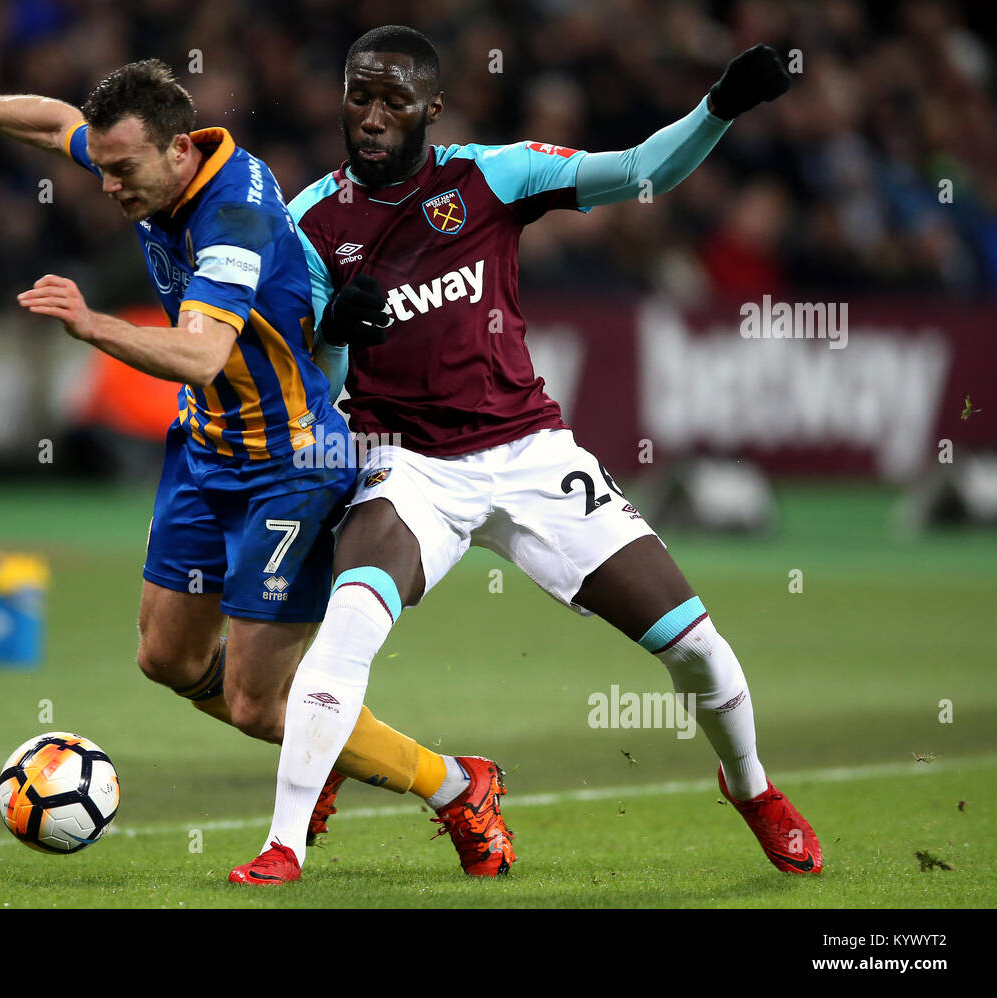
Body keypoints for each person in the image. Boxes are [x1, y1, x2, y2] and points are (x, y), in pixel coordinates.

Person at [0, 49, 514, 872]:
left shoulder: (231, 220)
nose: (109, 188)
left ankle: (457, 784)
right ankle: (329, 750)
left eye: (121, 170)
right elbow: (59, 122)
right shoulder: (153, 159)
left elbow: (203, 356)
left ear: (178, 151)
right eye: (102, 170)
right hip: (206, 449)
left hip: (291, 464)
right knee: (166, 658)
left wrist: (91, 325)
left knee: (256, 703)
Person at [230, 26, 820, 885]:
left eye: (395, 99)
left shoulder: (490, 175)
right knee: (347, 628)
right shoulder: (310, 220)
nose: (373, 115)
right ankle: (282, 846)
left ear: (432, 108)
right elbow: (312, 380)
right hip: (410, 463)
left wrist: (717, 109)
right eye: (360, 94)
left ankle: (754, 789)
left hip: (532, 454)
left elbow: (636, 171)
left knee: (692, 645)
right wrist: (331, 334)